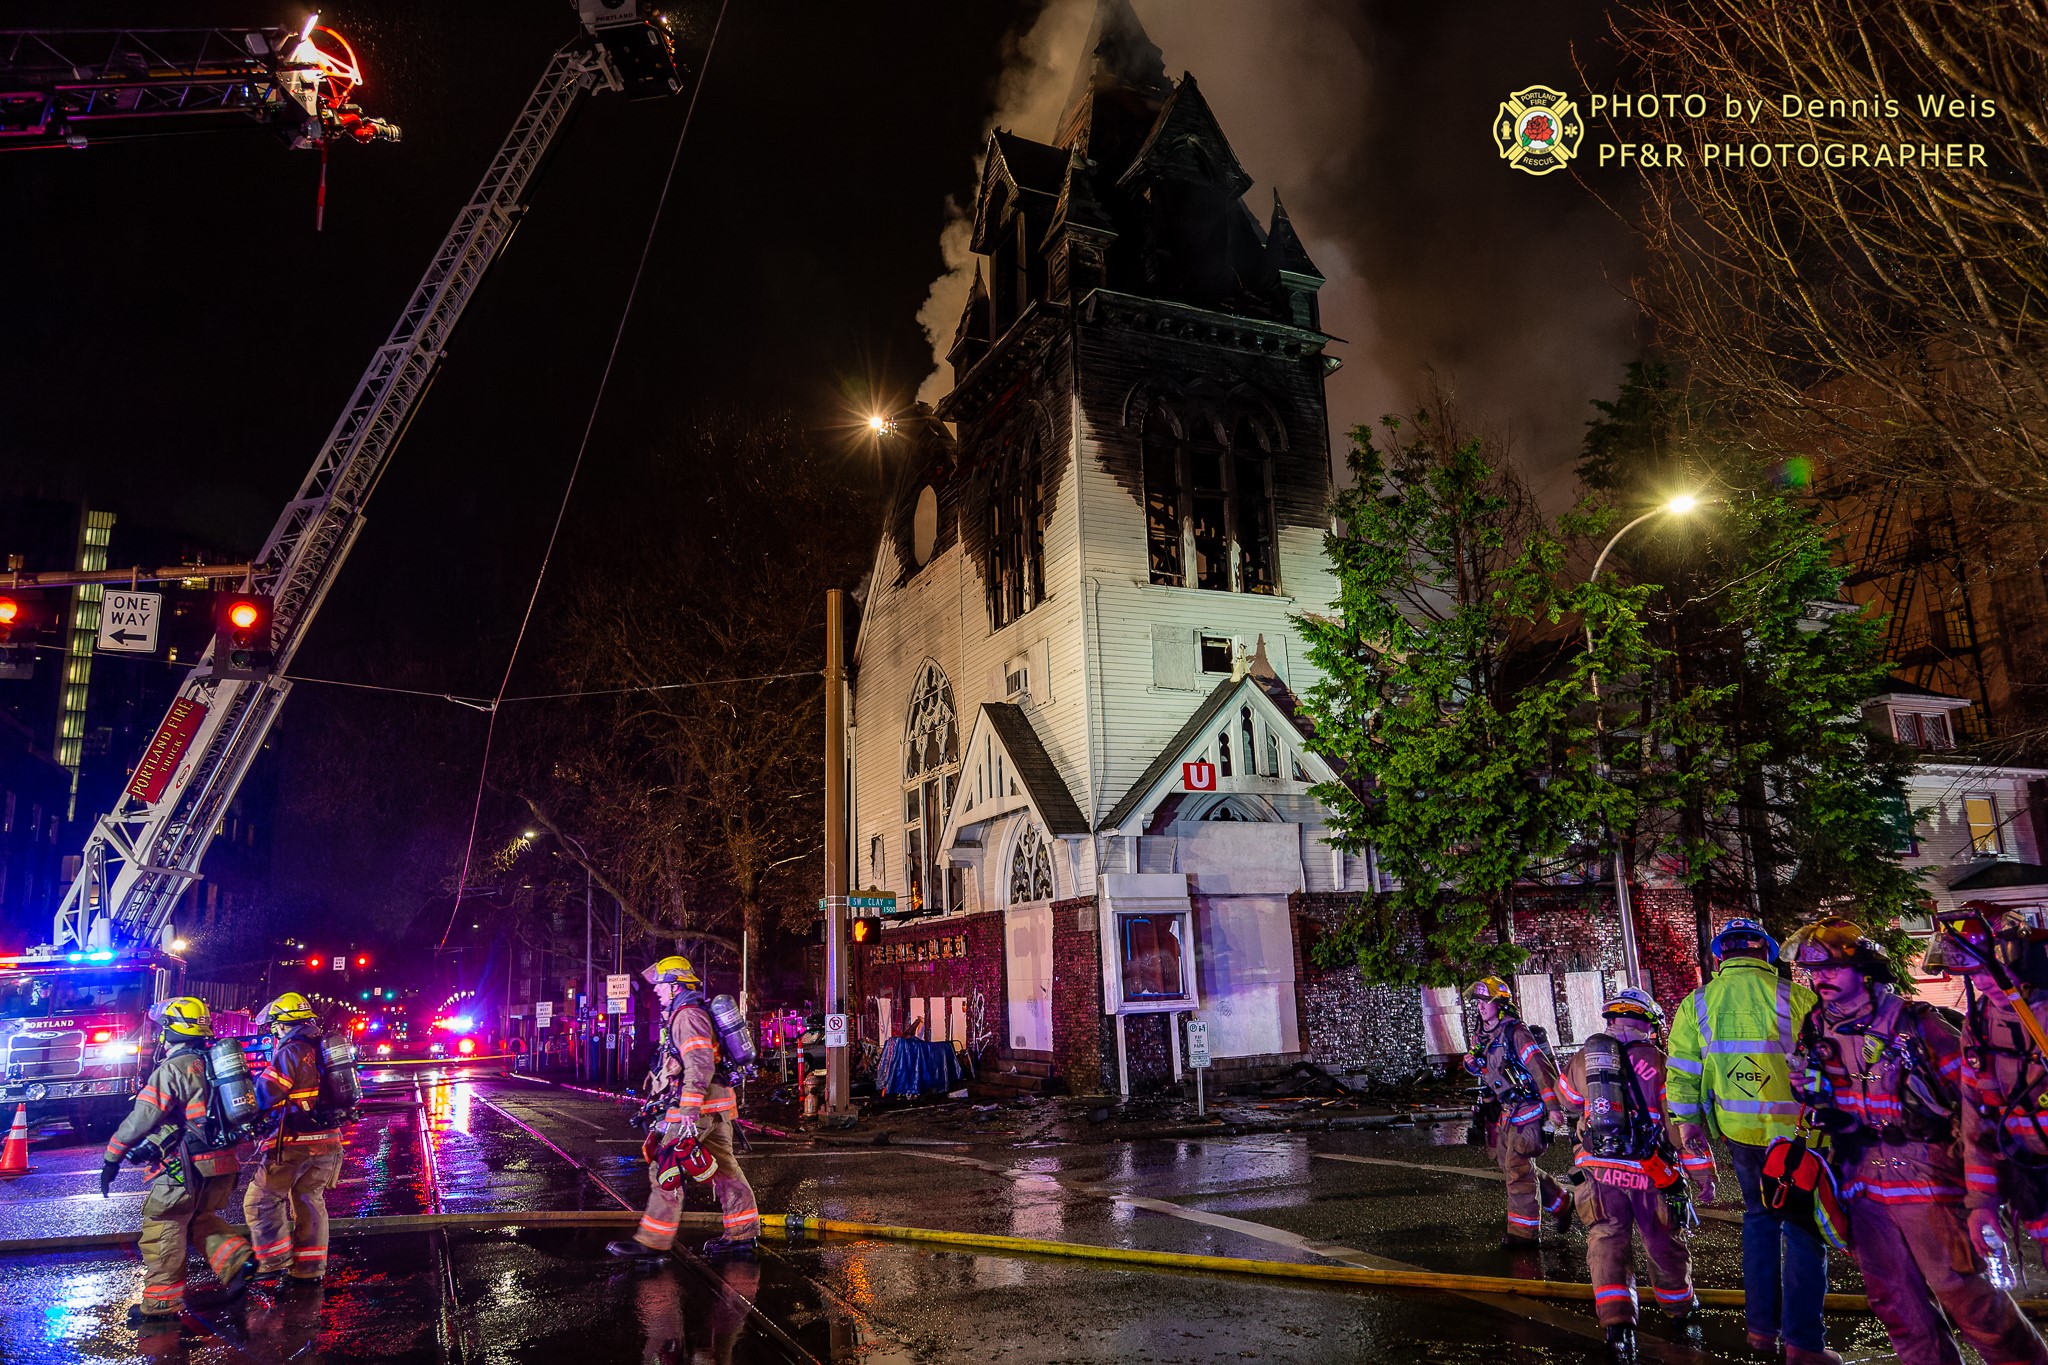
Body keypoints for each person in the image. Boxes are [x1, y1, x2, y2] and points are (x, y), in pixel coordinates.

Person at [1788, 916, 2048, 1365]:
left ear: (1864, 970)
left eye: (1831, 967)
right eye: (1814, 971)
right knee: (1898, 1309)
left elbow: (1975, 1108)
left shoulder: (1917, 1025)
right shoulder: (1815, 1028)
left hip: (1928, 1180)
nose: (1820, 978)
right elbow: (1820, 1098)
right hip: (1863, 1185)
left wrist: (1982, 1194)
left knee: (1972, 1303)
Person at [1667, 916, 1834, 1364]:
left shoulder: (1697, 1004)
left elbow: (1682, 1072)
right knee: (1803, 1232)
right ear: (1767, 953)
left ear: (1719, 956)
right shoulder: (1797, 997)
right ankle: (1804, 1345)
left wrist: (1687, 1124)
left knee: (1759, 1221)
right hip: (1799, 1139)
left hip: (1740, 1135)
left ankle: (1762, 1332)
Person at [1555, 987, 1698, 1361]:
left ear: (1611, 1020)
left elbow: (1568, 1100)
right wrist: (1702, 1174)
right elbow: (1679, 1127)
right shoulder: (1663, 1063)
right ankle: (1681, 1313)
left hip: (1598, 1171)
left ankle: (1618, 1328)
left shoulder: (1586, 1058)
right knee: (1662, 1242)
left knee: (1605, 1240)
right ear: (1650, 1024)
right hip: (1649, 1173)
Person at [100, 996, 254, 1328]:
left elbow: (142, 1118)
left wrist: (112, 1157)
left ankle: (160, 1306)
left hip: (185, 1167)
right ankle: (239, 1261)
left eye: (162, 1029)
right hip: (222, 1163)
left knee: (163, 1226)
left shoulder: (172, 1068)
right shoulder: (215, 1060)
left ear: (170, 1031)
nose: (160, 1035)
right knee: (200, 1218)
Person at [609, 955, 760, 1259]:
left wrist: (689, 1110)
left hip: (698, 1110)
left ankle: (652, 1242)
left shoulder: (687, 1016)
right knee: (726, 1172)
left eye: (661, 986)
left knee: (665, 1169)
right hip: (716, 1108)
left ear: (675, 986)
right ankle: (742, 1236)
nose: (657, 991)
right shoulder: (685, 1012)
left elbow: (699, 1064)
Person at [1931, 903, 2048, 1260]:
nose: (1982, 982)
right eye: (1972, 973)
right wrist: (1981, 1204)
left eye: (1987, 968)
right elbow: (1977, 1121)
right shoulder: (1979, 1024)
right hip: (2036, 1182)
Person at [244, 991, 345, 1285]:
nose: (274, 1031)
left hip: (295, 1142)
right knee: (309, 1199)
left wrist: (244, 1091)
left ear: (283, 1024)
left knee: (260, 1200)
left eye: (275, 1025)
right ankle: (309, 1270)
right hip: (330, 1139)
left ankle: (273, 1261)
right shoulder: (322, 1046)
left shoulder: (291, 1050)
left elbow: (266, 1094)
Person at [1464, 976, 1571, 1245]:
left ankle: (1523, 1235)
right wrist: (1474, 1067)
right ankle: (1561, 1203)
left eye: (1485, 1001)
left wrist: (1553, 1107)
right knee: (1510, 1164)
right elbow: (1491, 1072)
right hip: (1508, 1109)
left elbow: (1539, 1068)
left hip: (1530, 1108)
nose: (1480, 1006)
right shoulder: (1483, 1035)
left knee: (1517, 1167)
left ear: (1500, 1003)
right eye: (1478, 1001)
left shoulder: (1516, 1033)